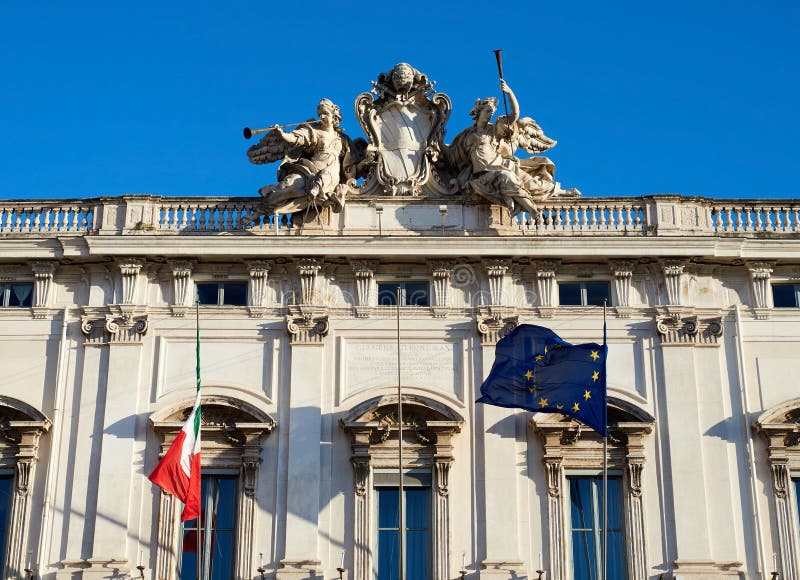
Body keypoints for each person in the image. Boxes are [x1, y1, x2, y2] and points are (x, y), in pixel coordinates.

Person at [449, 81, 577, 218]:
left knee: (531, 183)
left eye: (491, 112)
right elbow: (451, 156)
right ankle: (534, 211)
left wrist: (509, 92)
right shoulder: (466, 136)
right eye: (487, 111)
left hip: (502, 166)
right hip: (483, 176)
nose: (490, 115)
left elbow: (515, 114)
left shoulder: (494, 130)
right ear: (479, 112)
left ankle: (559, 191)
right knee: (507, 177)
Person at [246, 99, 362, 224]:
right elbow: (297, 139)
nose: (322, 117)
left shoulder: (343, 139)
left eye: (325, 113)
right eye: (320, 114)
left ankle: (316, 191)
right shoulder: (314, 132)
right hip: (310, 170)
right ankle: (259, 211)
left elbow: (351, 165)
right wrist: (282, 134)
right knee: (287, 185)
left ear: (334, 116)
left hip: (331, 172)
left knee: (326, 175)